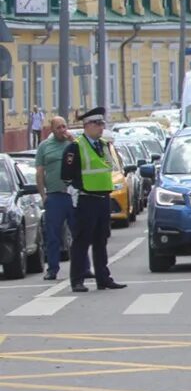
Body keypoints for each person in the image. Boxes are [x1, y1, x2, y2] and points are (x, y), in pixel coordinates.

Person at [60, 108, 125, 292]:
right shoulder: (76, 147)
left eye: (102, 124)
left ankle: (103, 278)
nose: (101, 127)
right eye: (97, 124)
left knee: (101, 240)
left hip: (103, 198)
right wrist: (77, 190)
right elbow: (66, 174)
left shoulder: (103, 145)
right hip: (85, 199)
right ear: (87, 125)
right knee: (81, 241)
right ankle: (78, 280)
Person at [33, 114, 75, 282]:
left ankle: (84, 267)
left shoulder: (73, 144)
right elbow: (39, 172)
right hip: (54, 196)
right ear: (52, 130)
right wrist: (43, 194)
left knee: (78, 234)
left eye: (64, 126)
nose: (62, 130)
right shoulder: (45, 147)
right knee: (53, 235)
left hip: (72, 195)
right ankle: (52, 269)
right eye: (58, 127)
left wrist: (73, 141)